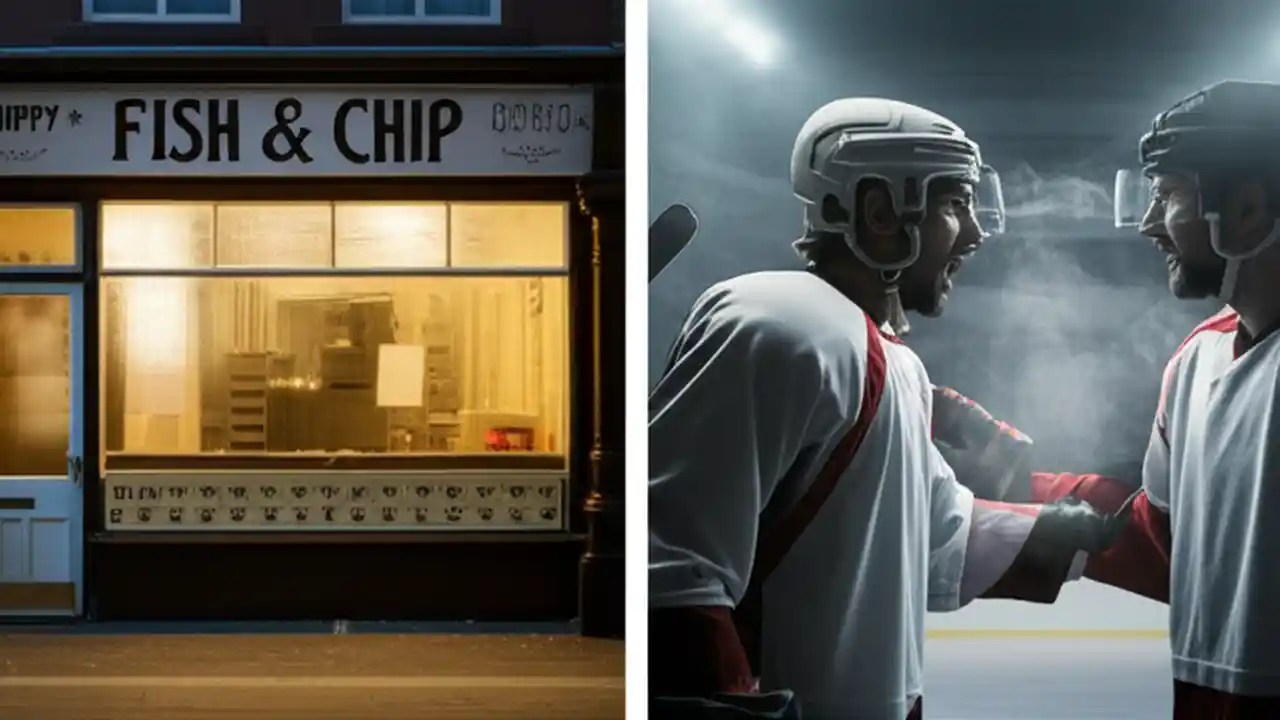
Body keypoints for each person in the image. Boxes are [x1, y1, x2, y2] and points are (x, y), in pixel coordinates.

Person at [648, 98, 1134, 720]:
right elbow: (673, 565)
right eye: (955, 203)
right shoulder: (781, 323)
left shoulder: (892, 358)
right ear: (880, 211)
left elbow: (932, 530)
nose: (977, 232)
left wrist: (1061, 531)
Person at [935, 80, 1280, 718]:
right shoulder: (1197, 357)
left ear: (1250, 207)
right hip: (1205, 693)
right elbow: (1165, 541)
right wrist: (1018, 483)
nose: (1149, 223)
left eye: (1169, 195)